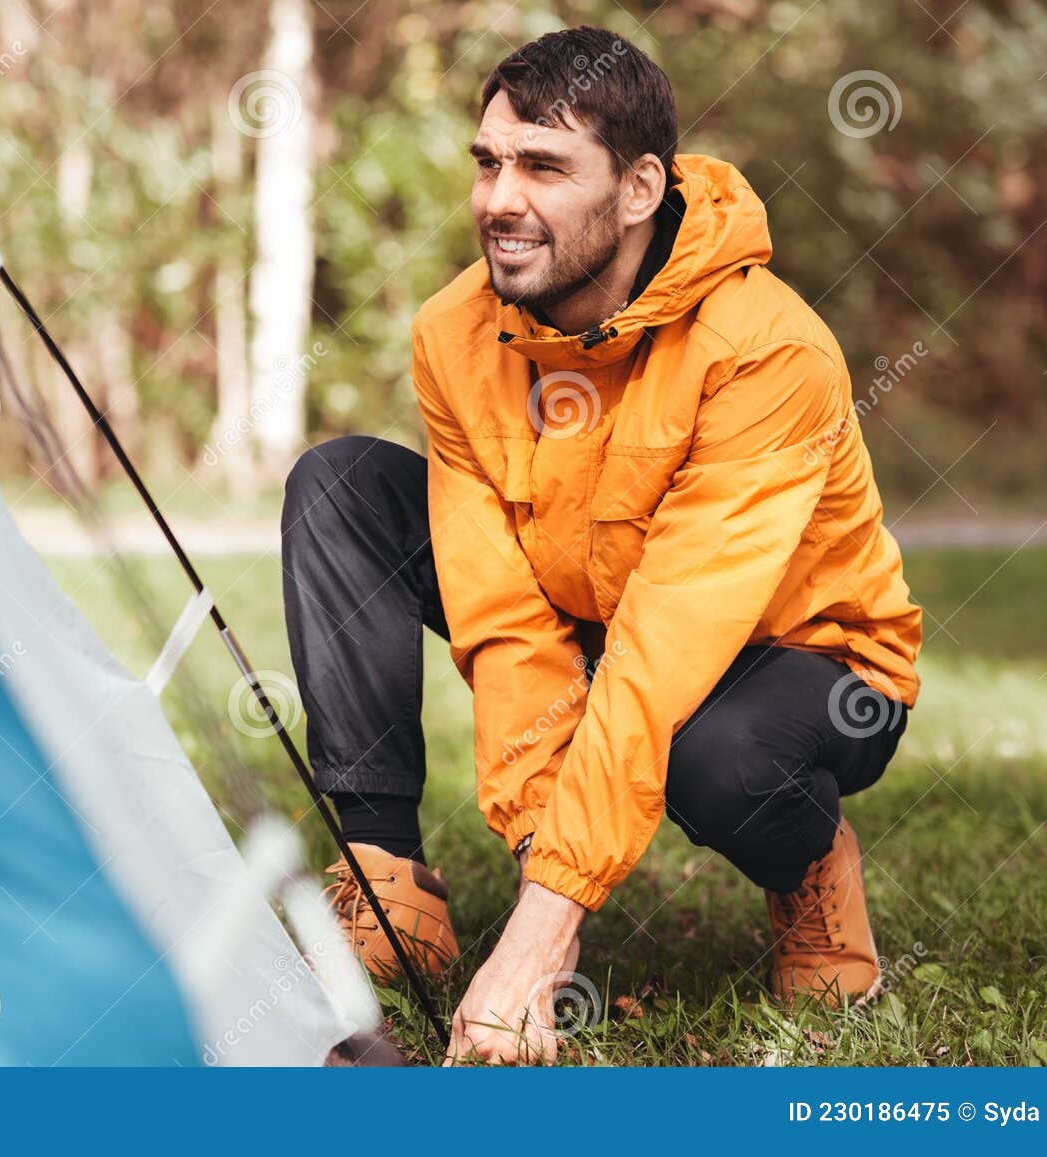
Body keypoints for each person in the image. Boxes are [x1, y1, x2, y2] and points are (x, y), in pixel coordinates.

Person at [281, 25, 921, 1065]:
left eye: (543, 167)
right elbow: (501, 615)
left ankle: (810, 860)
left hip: (801, 656)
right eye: (489, 162)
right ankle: (386, 885)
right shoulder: (455, 333)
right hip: (597, 611)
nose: (499, 199)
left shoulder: (768, 351)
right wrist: (546, 846)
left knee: (718, 757)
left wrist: (545, 925)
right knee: (341, 485)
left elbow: (666, 650)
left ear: (637, 190)